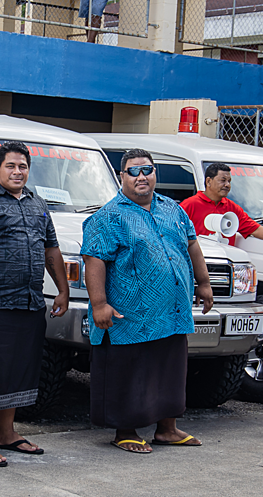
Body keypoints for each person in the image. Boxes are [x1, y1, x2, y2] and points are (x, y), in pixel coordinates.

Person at [81, 148, 213, 454]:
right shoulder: (109, 216)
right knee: (130, 371)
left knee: (169, 368)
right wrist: (99, 303)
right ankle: (125, 430)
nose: (142, 177)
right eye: (134, 171)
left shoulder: (173, 209)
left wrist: (204, 283)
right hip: (130, 314)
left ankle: (167, 429)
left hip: (171, 309)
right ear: (122, 176)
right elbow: (94, 261)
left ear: (155, 173)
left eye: (147, 170)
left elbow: (191, 245)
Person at [0, 140, 70, 467]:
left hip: (29, 301)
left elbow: (52, 250)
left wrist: (62, 289)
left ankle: (5, 433)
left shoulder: (38, 205)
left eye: (22, 166)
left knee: (18, 368)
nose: (17, 171)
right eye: (11, 166)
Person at [180, 162, 263, 252]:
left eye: (229, 181)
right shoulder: (189, 205)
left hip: (225, 263)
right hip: (196, 263)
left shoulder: (231, 208)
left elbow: (255, 229)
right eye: (223, 180)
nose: (227, 185)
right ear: (208, 181)